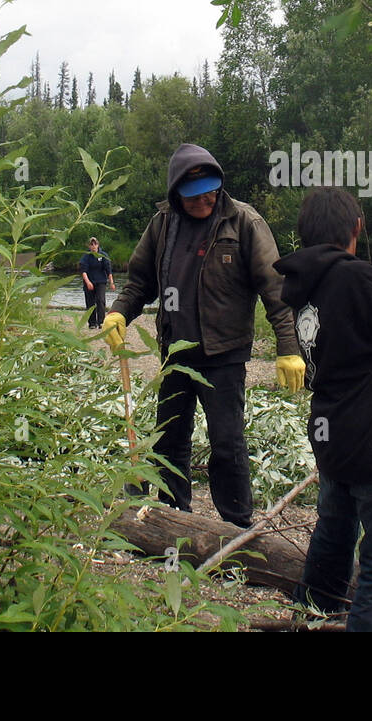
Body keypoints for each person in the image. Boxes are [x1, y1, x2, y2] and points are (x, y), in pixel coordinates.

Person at [103, 144, 305, 528]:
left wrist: (288, 347)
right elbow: (140, 283)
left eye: (211, 191)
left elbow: (276, 290)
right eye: (195, 196)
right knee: (169, 441)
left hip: (224, 355)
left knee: (227, 445)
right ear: (176, 193)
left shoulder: (244, 222)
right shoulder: (162, 225)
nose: (205, 200)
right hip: (175, 353)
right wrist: (118, 312)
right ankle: (171, 519)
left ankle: (235, 526)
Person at [273, 187, 372, 632]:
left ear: (305, 235)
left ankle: (306, 622)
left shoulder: (305, 286)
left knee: (334, 537)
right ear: (357, 228)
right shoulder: (355, 279)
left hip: (333, 435)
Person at [79, 237, 116, 330]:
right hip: (89, 281)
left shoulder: (103, 255)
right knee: (90, 303)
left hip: (101, 282)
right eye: (91, 244)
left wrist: (111, 282)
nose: (93, 246)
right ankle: (92, 323)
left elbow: (108, 270)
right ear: (89, 246)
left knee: (100, 300)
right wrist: (88, 282)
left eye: (95, 244)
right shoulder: (86, 256)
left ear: (98, 245)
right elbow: (83, 271)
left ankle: (101, 322)